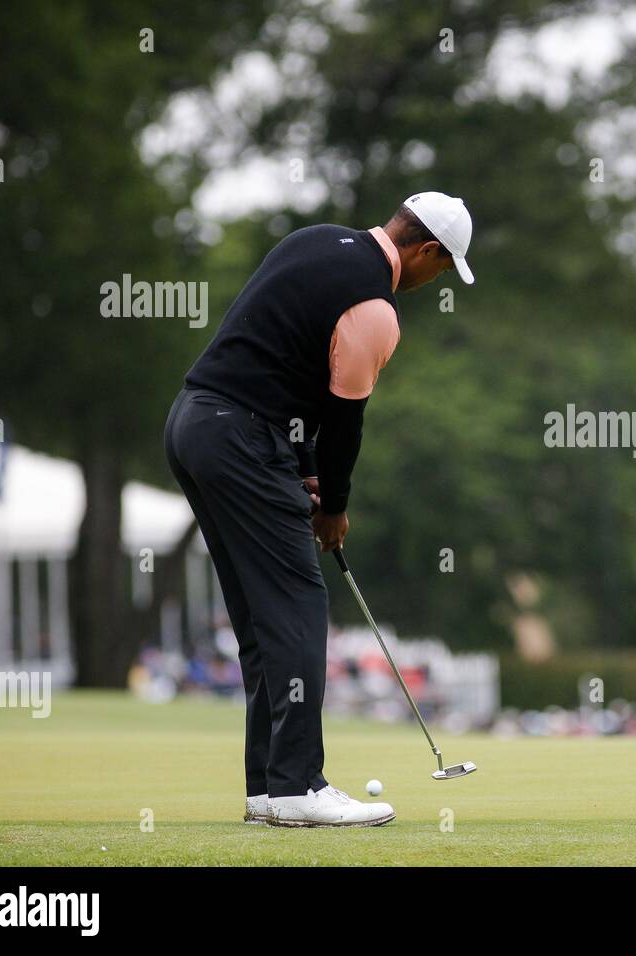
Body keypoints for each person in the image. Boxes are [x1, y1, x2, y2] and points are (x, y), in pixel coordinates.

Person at [163, 191, 475, 827]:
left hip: (194, 424)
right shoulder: (375, 310)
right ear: (426, 250)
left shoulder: (313, 240)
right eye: (442, 269)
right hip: (242, 437)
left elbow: (294, 376)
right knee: (299, 607)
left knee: (260, 616)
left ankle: (267, 788)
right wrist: (333, 506)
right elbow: (344, 423)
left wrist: (303, 474)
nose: (433, 280)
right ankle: (299, 785)